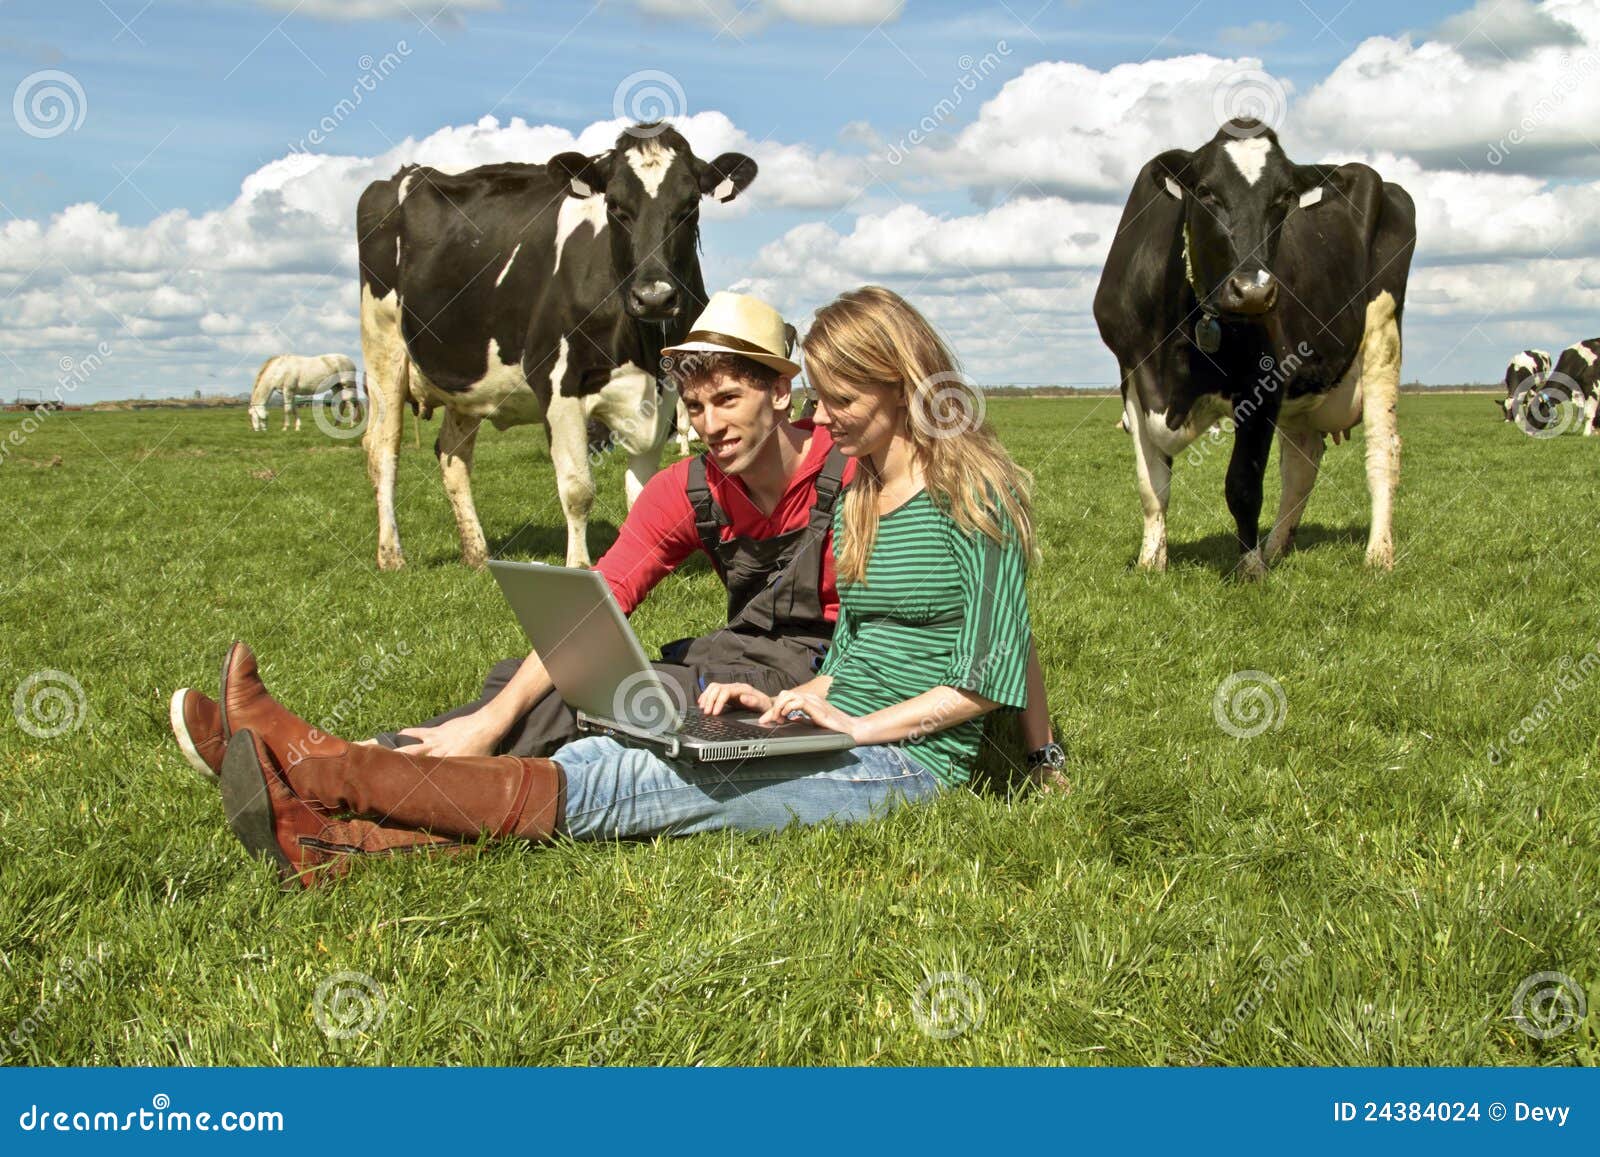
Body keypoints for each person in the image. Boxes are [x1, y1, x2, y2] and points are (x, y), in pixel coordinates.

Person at [180, 286, 1050, 888]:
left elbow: (991, 665)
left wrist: (1026, 753)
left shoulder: (938, 491)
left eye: (836, 394)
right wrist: (805, 702)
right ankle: (329, 825)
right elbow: (862, 647)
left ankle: (321, 769)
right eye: (695, 405)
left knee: (625, 761)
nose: (822, 411)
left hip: (893, 750)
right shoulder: (867, 494)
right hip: (816, 710)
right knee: (558, 709)